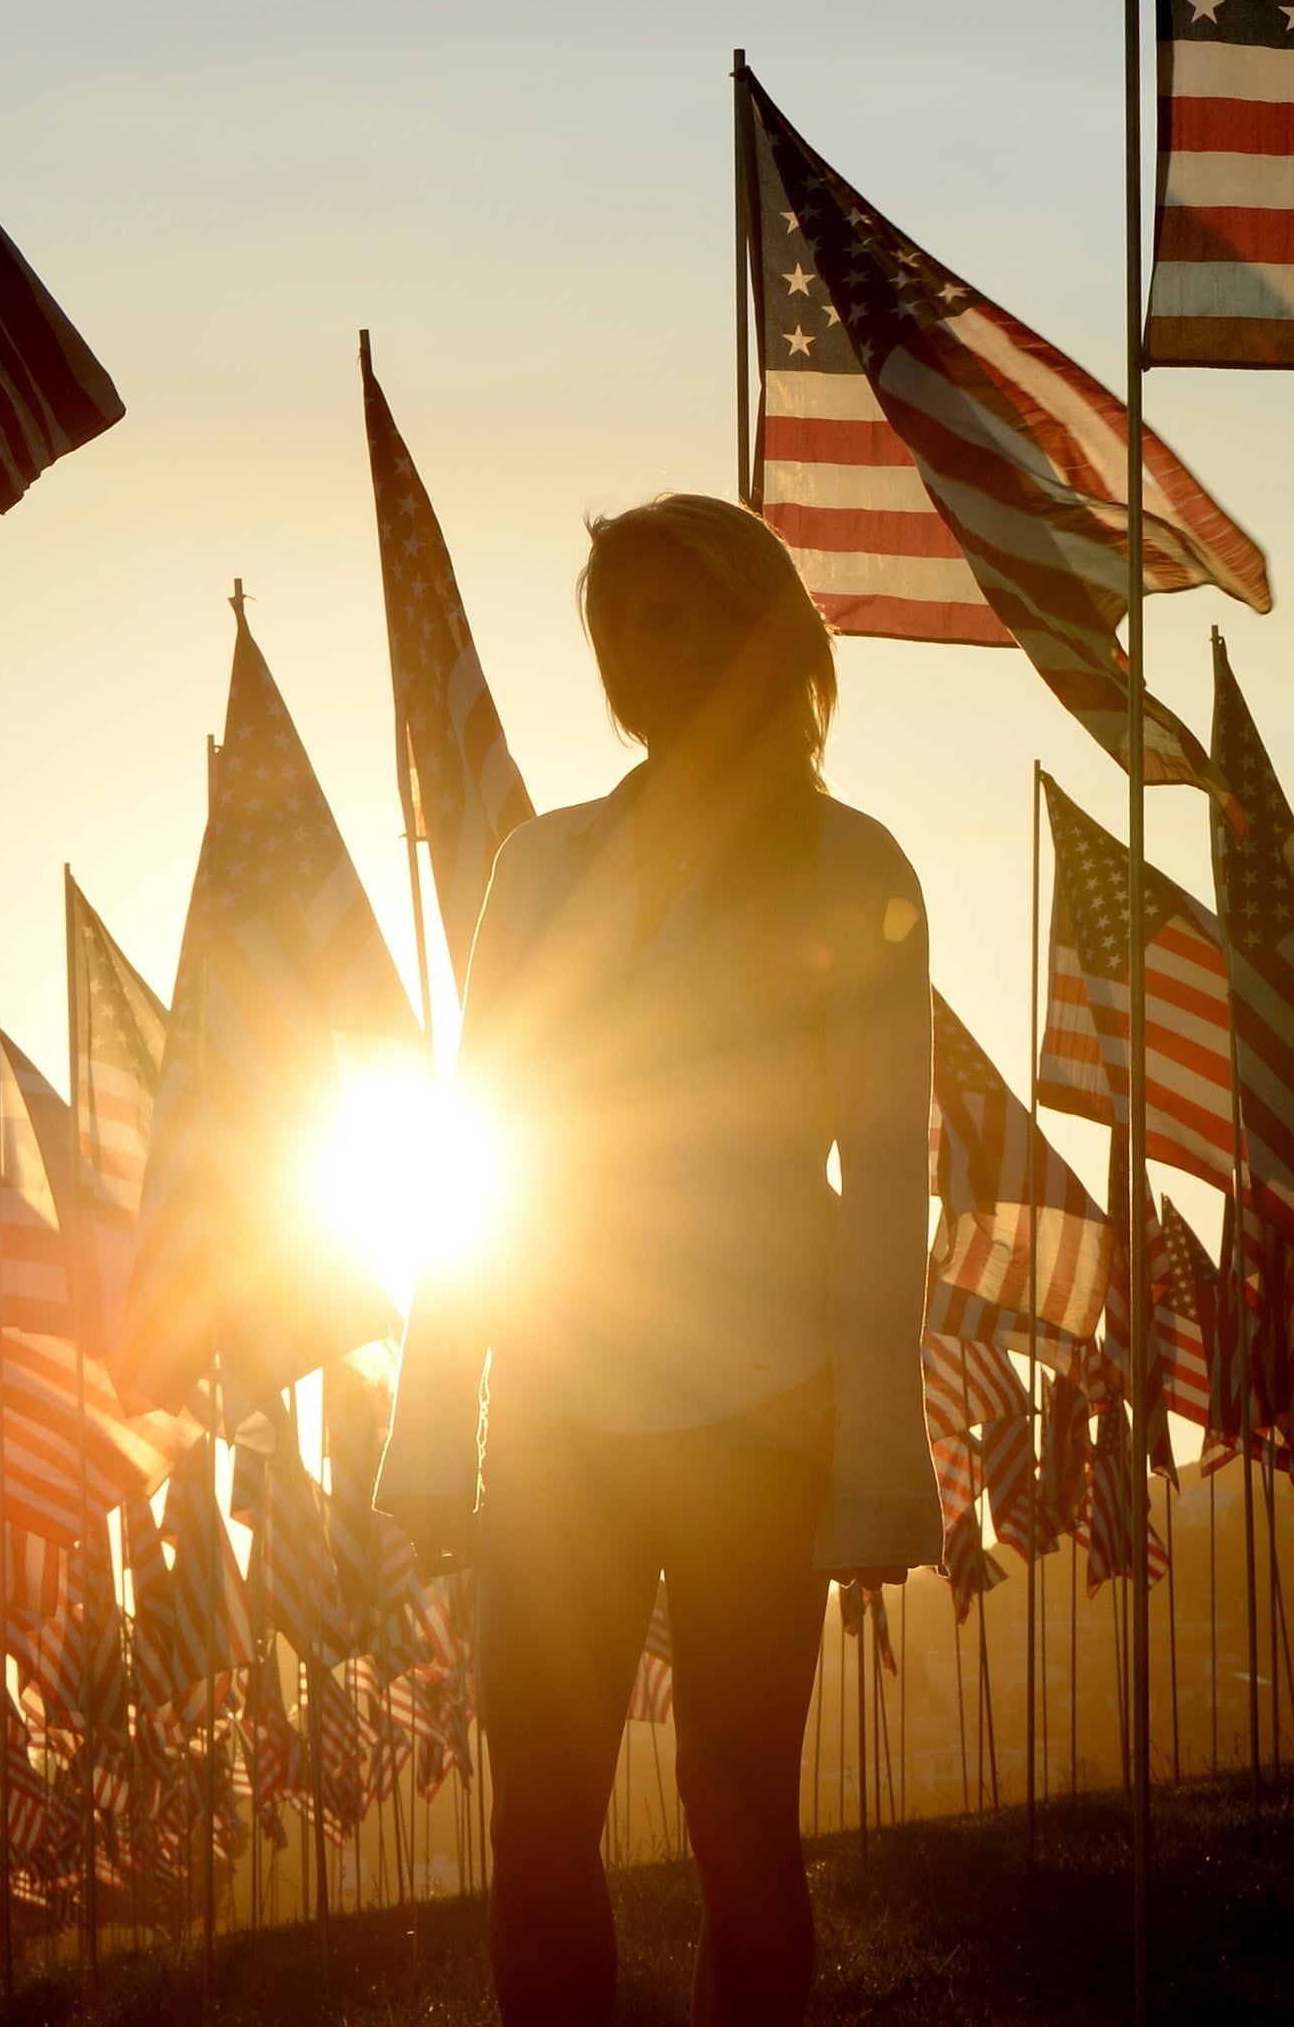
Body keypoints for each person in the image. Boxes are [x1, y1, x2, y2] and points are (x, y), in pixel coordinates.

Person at [377, 493, 936, 2027]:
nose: (655, 644)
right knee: (537, 1815)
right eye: (630, 619)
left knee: (739, 1816)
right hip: (555, 1411)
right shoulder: (540, 870)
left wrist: (885, 1469)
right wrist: (429, 1433)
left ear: (766, 635)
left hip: (771, 1410)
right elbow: (476, 1145)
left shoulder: (850, 866)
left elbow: (890, 1177)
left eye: (689, 611)